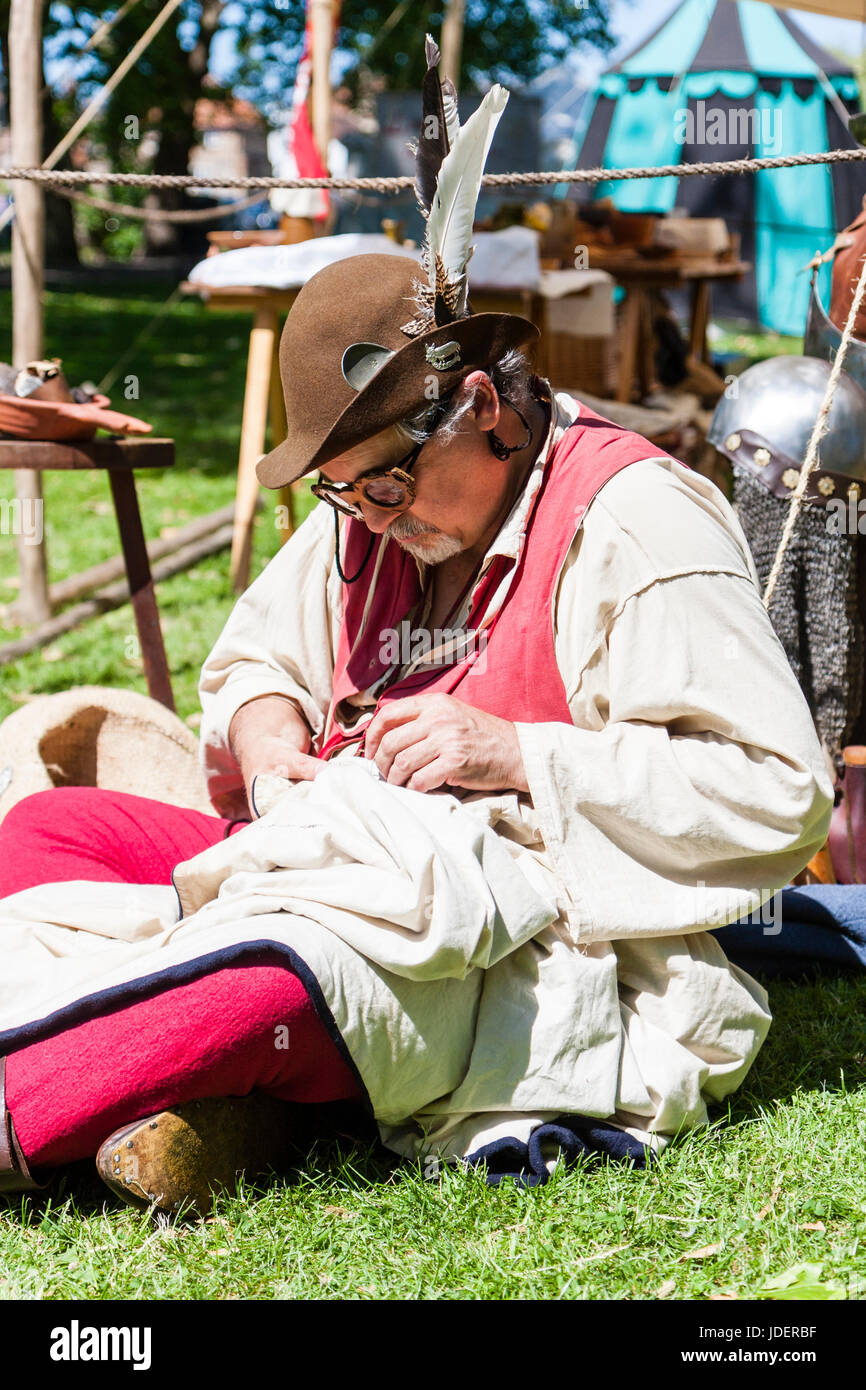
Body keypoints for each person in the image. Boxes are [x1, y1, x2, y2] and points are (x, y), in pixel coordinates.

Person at [0, 249, 832, 1212]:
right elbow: (258, 666)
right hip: (324, 860)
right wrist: (271, 755)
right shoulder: (376, 501)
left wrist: (517, 753)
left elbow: (776, 787)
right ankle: (235, 1088)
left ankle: (98, 1085)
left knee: (265, 986)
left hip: (496, 939)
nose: (368, 519)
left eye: (384, 487)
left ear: (480, 404)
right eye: (342, 494)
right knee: (55, 833)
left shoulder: (636, 523)